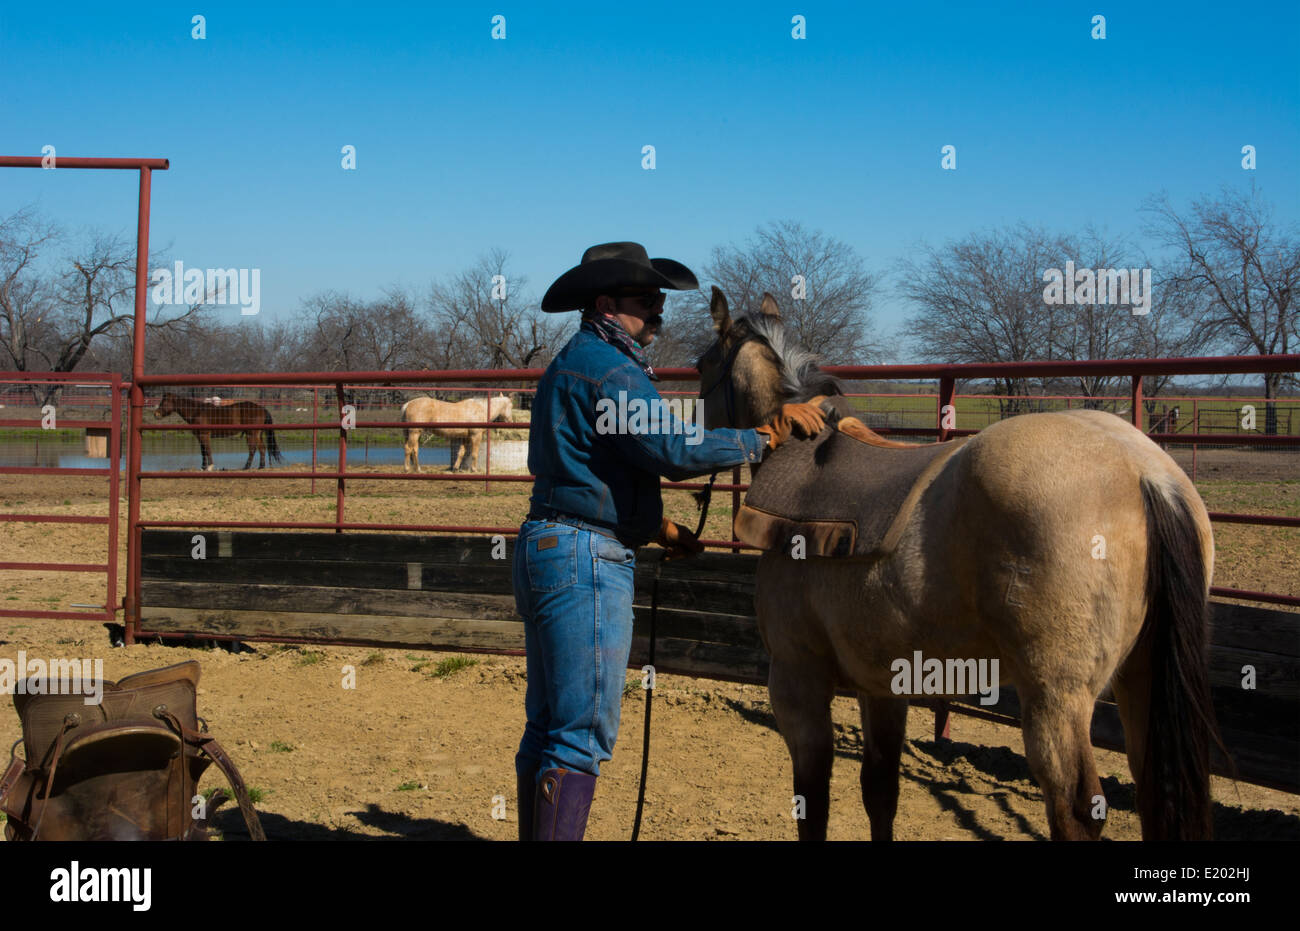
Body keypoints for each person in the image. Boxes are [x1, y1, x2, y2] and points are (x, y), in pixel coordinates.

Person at [514, 242, 827, 841]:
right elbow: (674, 451)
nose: (657, 310)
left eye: (658, 299)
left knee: (548, 726)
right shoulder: (613, 370)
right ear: (607, 304)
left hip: (547, 545)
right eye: (645, 300)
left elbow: (581, 461)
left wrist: (653, 526)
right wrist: (763, 435)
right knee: (579, 739)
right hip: (586, 561)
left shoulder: (570, 363)